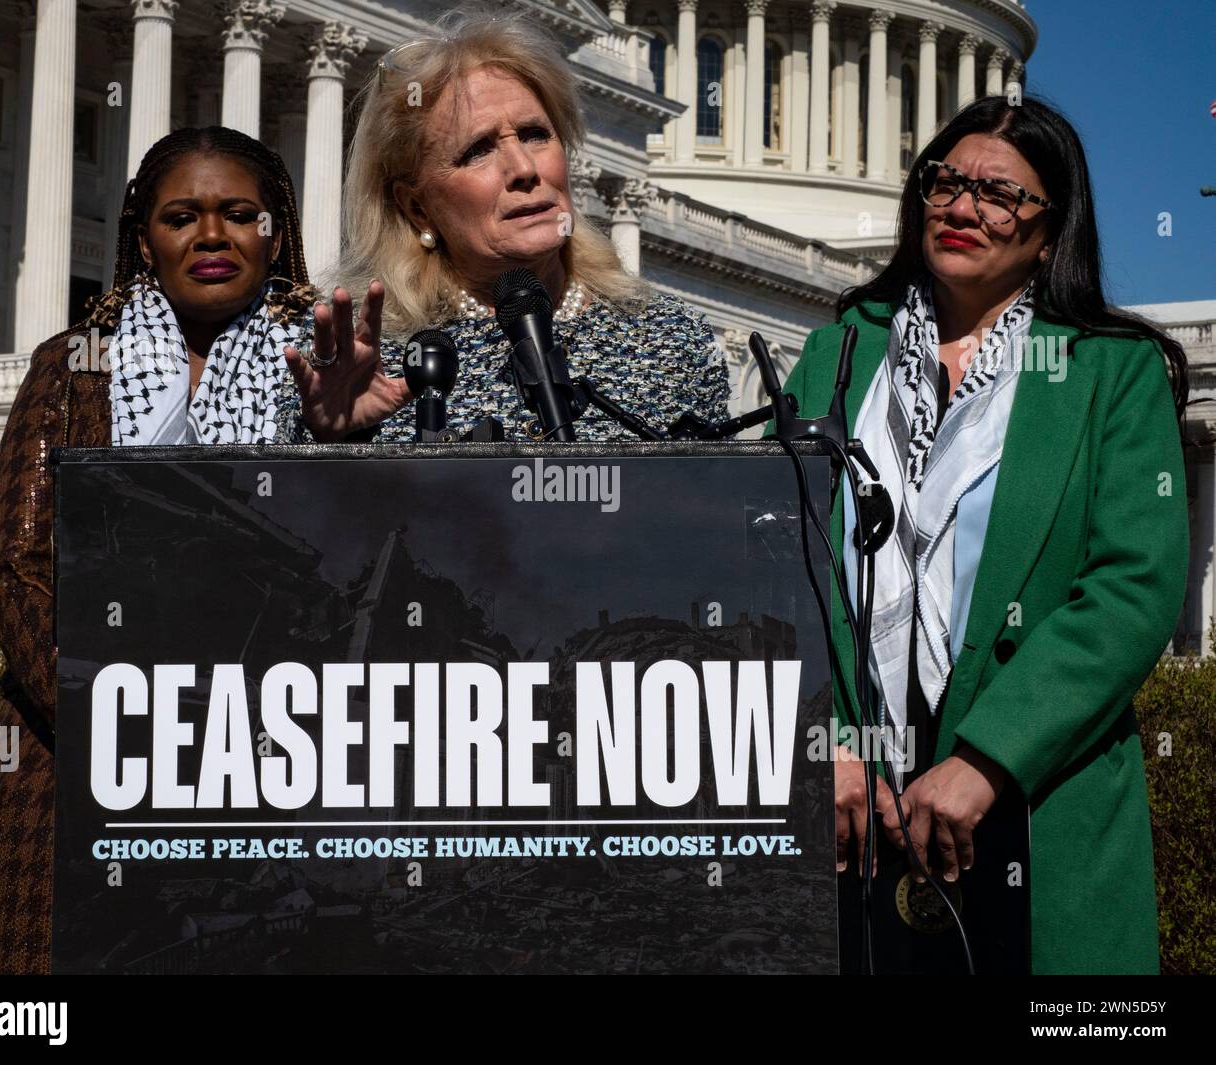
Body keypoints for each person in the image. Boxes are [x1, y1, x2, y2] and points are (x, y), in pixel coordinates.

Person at [782, 95, 1188, 975]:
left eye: (1002, 195)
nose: (964, 208)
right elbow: (780, 562)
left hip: (1039, 796)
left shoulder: (1109, 372)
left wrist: (987, 757)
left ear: (1051, 232)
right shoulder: (837, 356)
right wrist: (823, 738)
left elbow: (1133, 585)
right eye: (947, 182)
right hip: (855, 803)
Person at [0, 126, 320, 973]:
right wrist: (107, 717)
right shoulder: (73, 369)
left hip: (267, 753)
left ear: (275, 232)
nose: (211, 235)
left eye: (238, 213)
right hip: (72, 751)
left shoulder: (321, 372)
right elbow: (13, 561)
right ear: (145, 239)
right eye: (182, 215)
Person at [276, 10, 730, 442]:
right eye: (477, 150)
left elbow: (716, 510)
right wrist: (328, 440)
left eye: (535, 134)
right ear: (417, 207)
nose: (524, 168)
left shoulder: (670, 336)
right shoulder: (357, 355)